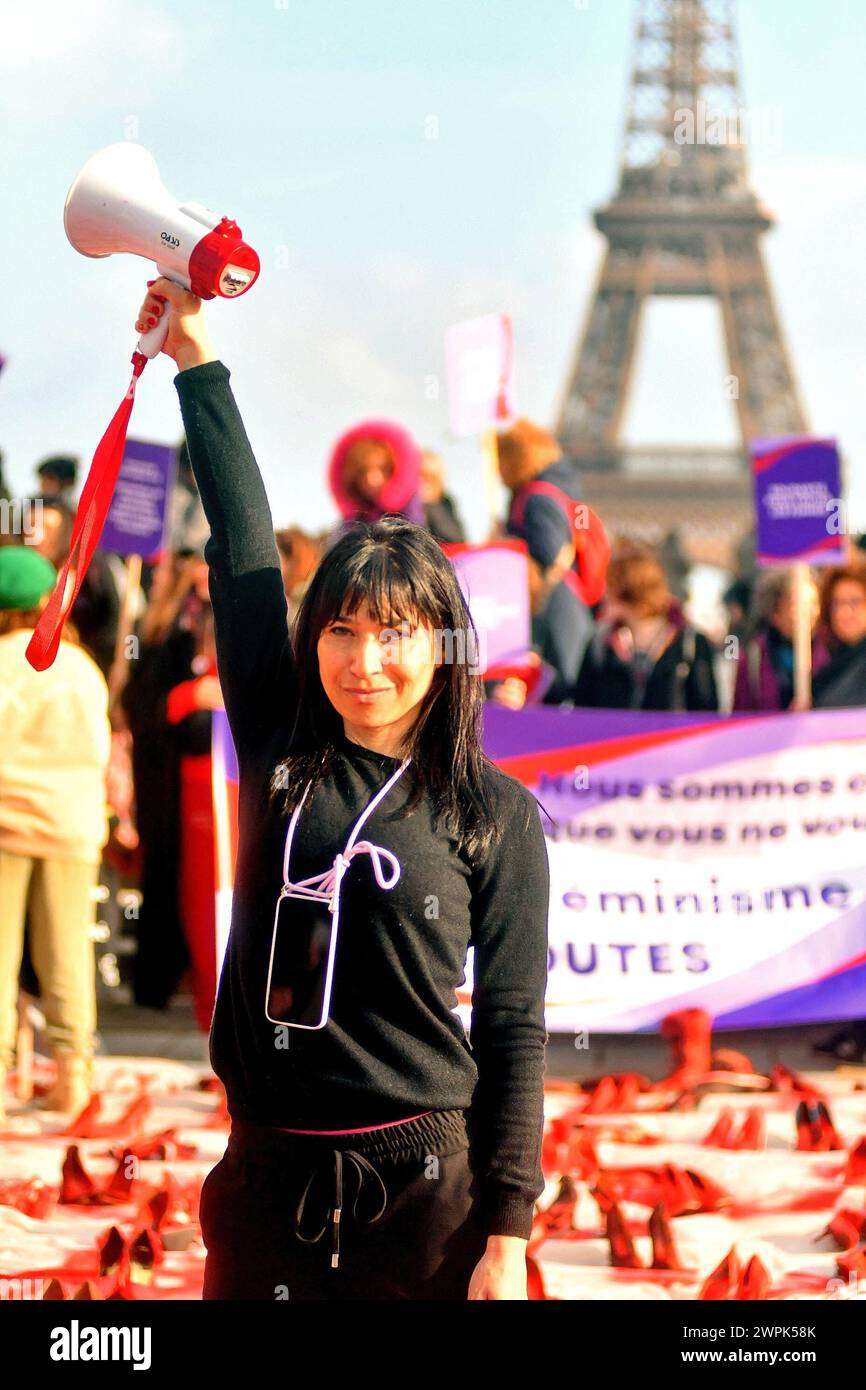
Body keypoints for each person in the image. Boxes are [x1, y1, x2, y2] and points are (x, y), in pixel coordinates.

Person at [133, 278, 551, 1301]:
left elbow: (511, 1024)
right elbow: (241, 558)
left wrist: (507, 1229)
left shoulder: (493, 812)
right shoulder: (280, 741)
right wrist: (196, 361)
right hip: (265, 1175)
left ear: (444, 646)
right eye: (342, 629)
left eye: (395, 633)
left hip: (423, 1194)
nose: (365, 659)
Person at [0, 546, 110, 1123]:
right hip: (71, 827)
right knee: (68, 952)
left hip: (6, 825)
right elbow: (98, 750)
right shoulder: (80, 667)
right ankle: (72, 1077)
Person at [574, 542, 719, 711]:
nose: (604, 594)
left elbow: (707, 711)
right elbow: (583, 710)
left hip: (675, 737)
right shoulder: (600, 644)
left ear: (628, 590)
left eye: (610, 586)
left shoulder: (691, 645)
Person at [733, 568, 828, 712]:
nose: (809, 613)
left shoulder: (831, 649)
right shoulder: (753, 657)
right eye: (797, 605)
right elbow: (740, 715)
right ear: (775, 612)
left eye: (813, 604)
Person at [419, 449, 466, 544]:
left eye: (432, 478)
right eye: (423, 477)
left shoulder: (446, 503)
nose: (427, 483)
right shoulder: (407, 508)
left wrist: (431, 505)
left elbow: (455, 539)